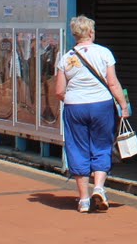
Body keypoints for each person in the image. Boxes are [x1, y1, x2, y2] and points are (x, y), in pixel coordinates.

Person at [52, 15, 129, 214]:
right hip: (101, 105)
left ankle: (84, 200)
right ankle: (99, 188)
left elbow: (59, 91)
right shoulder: (104, 53)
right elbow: (112, 83)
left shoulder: (66, 58)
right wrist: (123, 105)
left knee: (77, 148)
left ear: (75, 34)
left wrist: (74, 98)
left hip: (74, 107)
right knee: (102, 144)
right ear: (91, 32)